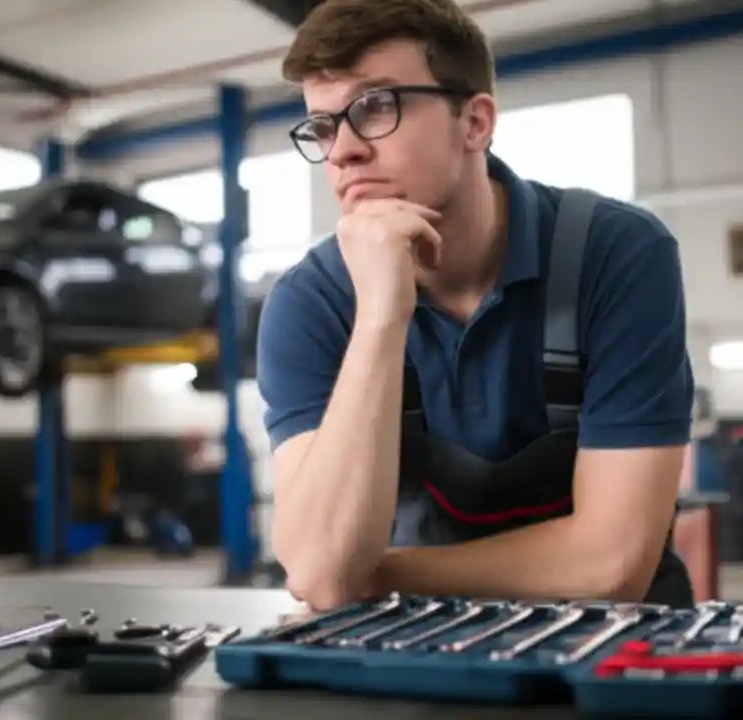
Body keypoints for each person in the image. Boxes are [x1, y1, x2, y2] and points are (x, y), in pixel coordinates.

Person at [256, 0, 696, 611]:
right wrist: (383, 314)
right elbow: (322, 572)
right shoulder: (312, 302)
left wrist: (379, 575)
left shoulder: (615, 254)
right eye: (323, 127)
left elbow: (612, 564)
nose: (342, 152)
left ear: (475, 123)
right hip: (417, 650)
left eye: (376, 106)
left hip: (612, 651)